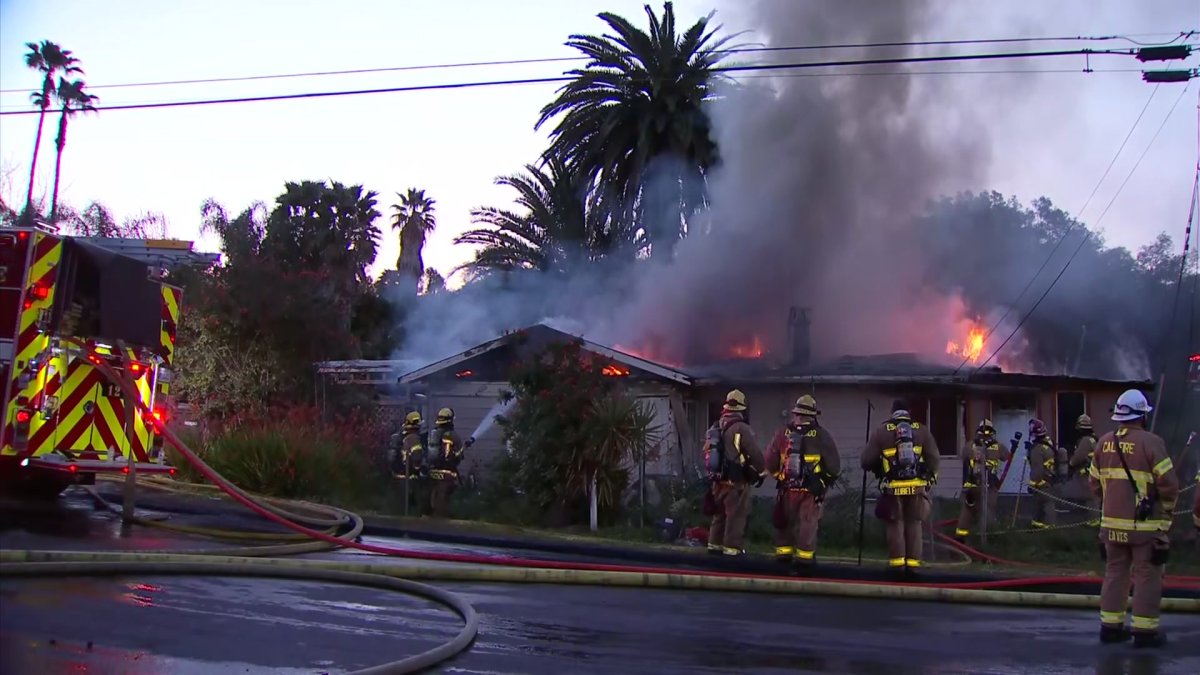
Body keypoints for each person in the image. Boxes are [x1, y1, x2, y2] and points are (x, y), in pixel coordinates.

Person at [1088, 389, 1179, 648]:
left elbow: (1093, 484)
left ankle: (1110, 627)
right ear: (1142, 415)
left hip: (1111, 526)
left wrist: (1110, 507)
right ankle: (1144, 631)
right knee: (1147, 575)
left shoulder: (1103, 442)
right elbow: (1169, 485)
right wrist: (1165, 518)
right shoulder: (1151, 443)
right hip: (1144, 527)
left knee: (1115, 573)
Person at [862, 399, 940, 576]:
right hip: (916, 488)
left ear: (892, 412)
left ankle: (897, 566)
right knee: (914, 524)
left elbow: (866, 461)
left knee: (895, 524)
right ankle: (913, 567)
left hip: (892, 487)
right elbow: (934, 459)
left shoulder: (881, 431)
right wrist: (929, 480)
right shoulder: (922, 430)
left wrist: (878, 467)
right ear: (909, 412)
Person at [765, 394, 840, 571]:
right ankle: (805, 561)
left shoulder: (782, 433)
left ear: (796, 413)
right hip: (810, 490)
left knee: (785, 523)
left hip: (787, 489)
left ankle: (783, 558)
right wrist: (823, 484)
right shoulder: (821, 435)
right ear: (813, 415)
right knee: (808, 523)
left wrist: (780, 477)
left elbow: (769, 461)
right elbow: (834, 466)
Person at [705, 389, 766, 556]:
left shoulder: (716, 426)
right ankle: (733, 549)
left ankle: (714, 545)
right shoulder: (741, 428)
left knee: (719, 515)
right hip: (736, 481)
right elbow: (754, 452)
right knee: (736, 515)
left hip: (718, 481)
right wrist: (762, 471)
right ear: (741, 408)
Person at [955, 419, 1009, 541]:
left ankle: (960, 538)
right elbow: (1006, 457)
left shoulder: (969, 445)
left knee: (967, 511)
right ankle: (988, 539)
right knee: (987, 511)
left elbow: (964, 458)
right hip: (989, 487)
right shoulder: (998, 446)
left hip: (971, 485)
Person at [428, 407, 473, 518]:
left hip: (433, 472)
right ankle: (443, 523)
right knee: (445, 500)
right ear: (451, 420)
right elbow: (453, 457)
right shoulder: (452, 435)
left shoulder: (434, 434)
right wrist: (464, 448)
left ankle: (432, 518)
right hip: (447, 474)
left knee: (435, 496)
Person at [389, 411, 428, 513]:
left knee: (398, 510)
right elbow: (417, 458)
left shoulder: (400, 437)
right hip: (409, 480)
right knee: (412, 511)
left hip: (397, 478)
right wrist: (421, 471)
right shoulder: (414, 438)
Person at [1068, 414, 1101, 522]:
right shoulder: (1094, 438)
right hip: (1093, 472)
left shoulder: (1086, 440)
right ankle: (1094, 519)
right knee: (1094, 497)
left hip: (1087, 473)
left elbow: (1078, 457)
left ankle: (1093, 520)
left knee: (1089, 497)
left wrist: (1070, 464)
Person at [1026, 419, 1058, 528]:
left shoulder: (1037, 449)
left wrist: (1032, 483)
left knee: (1046, 502)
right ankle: (1038, 522)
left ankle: (1050, 525)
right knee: (1041, 502)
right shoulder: (1049, 442)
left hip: (1042, 481)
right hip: (1050, 477)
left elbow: (1037, 469)